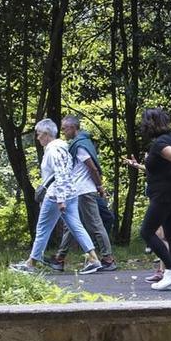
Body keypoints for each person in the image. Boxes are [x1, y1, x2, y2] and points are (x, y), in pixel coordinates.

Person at [11, 119, 106, 276]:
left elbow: (61, 174)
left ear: (47, 134)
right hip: (71, 193)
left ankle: (31, 263)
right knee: (76, 226)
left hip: (56, 195)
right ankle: (94, 260)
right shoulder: (63, 148)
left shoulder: (53, 151)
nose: (37, 137)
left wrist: (60, 199)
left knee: (43, 228)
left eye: (39, 134)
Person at [126, 105, 171, 289]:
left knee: (147, 232)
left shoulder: (160, 144)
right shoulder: (169, 139)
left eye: (144, 123)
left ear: (150, 124)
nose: (142, 126)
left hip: (163, 194)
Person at [50, 114, 115, 270]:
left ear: (73, 128)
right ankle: (60, 258)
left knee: (95, 224)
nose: (64, 132)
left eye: (65, 129)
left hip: (84, 190)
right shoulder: (82, 143)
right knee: (71, 225)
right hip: (78, 190)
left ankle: (108, 259)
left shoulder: (80, 145)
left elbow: (92, 167)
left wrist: (99, 186)